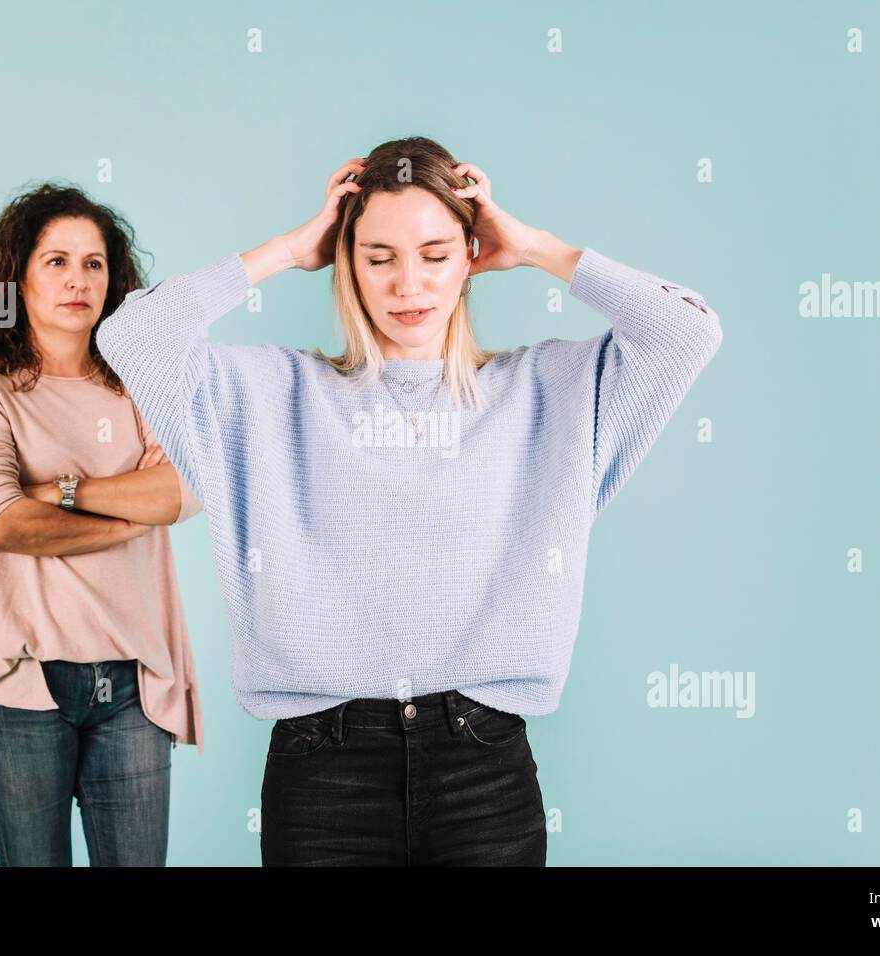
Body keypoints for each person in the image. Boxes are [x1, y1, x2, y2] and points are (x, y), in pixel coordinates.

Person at [96, 137, 724, 865]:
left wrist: (535, 245)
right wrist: (287, 249)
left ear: (470, 255)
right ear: (346, 264)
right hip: (321, 776)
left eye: (434, 253)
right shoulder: (266, 397)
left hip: (483, 772)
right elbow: (133, 335)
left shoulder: (548, 392)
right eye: (378, 256)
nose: (408, 284)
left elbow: (686, 331)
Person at [0, 183, 204, 866]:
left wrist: (68, 492)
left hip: (134, 680)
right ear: (15, 278)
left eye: (94, 263)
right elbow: (2, 520)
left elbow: (189, 487)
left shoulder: (140, 382)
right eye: (56, 261)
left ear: (114, 282)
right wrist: (128, 516)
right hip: (23, 680)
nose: (77, 279)